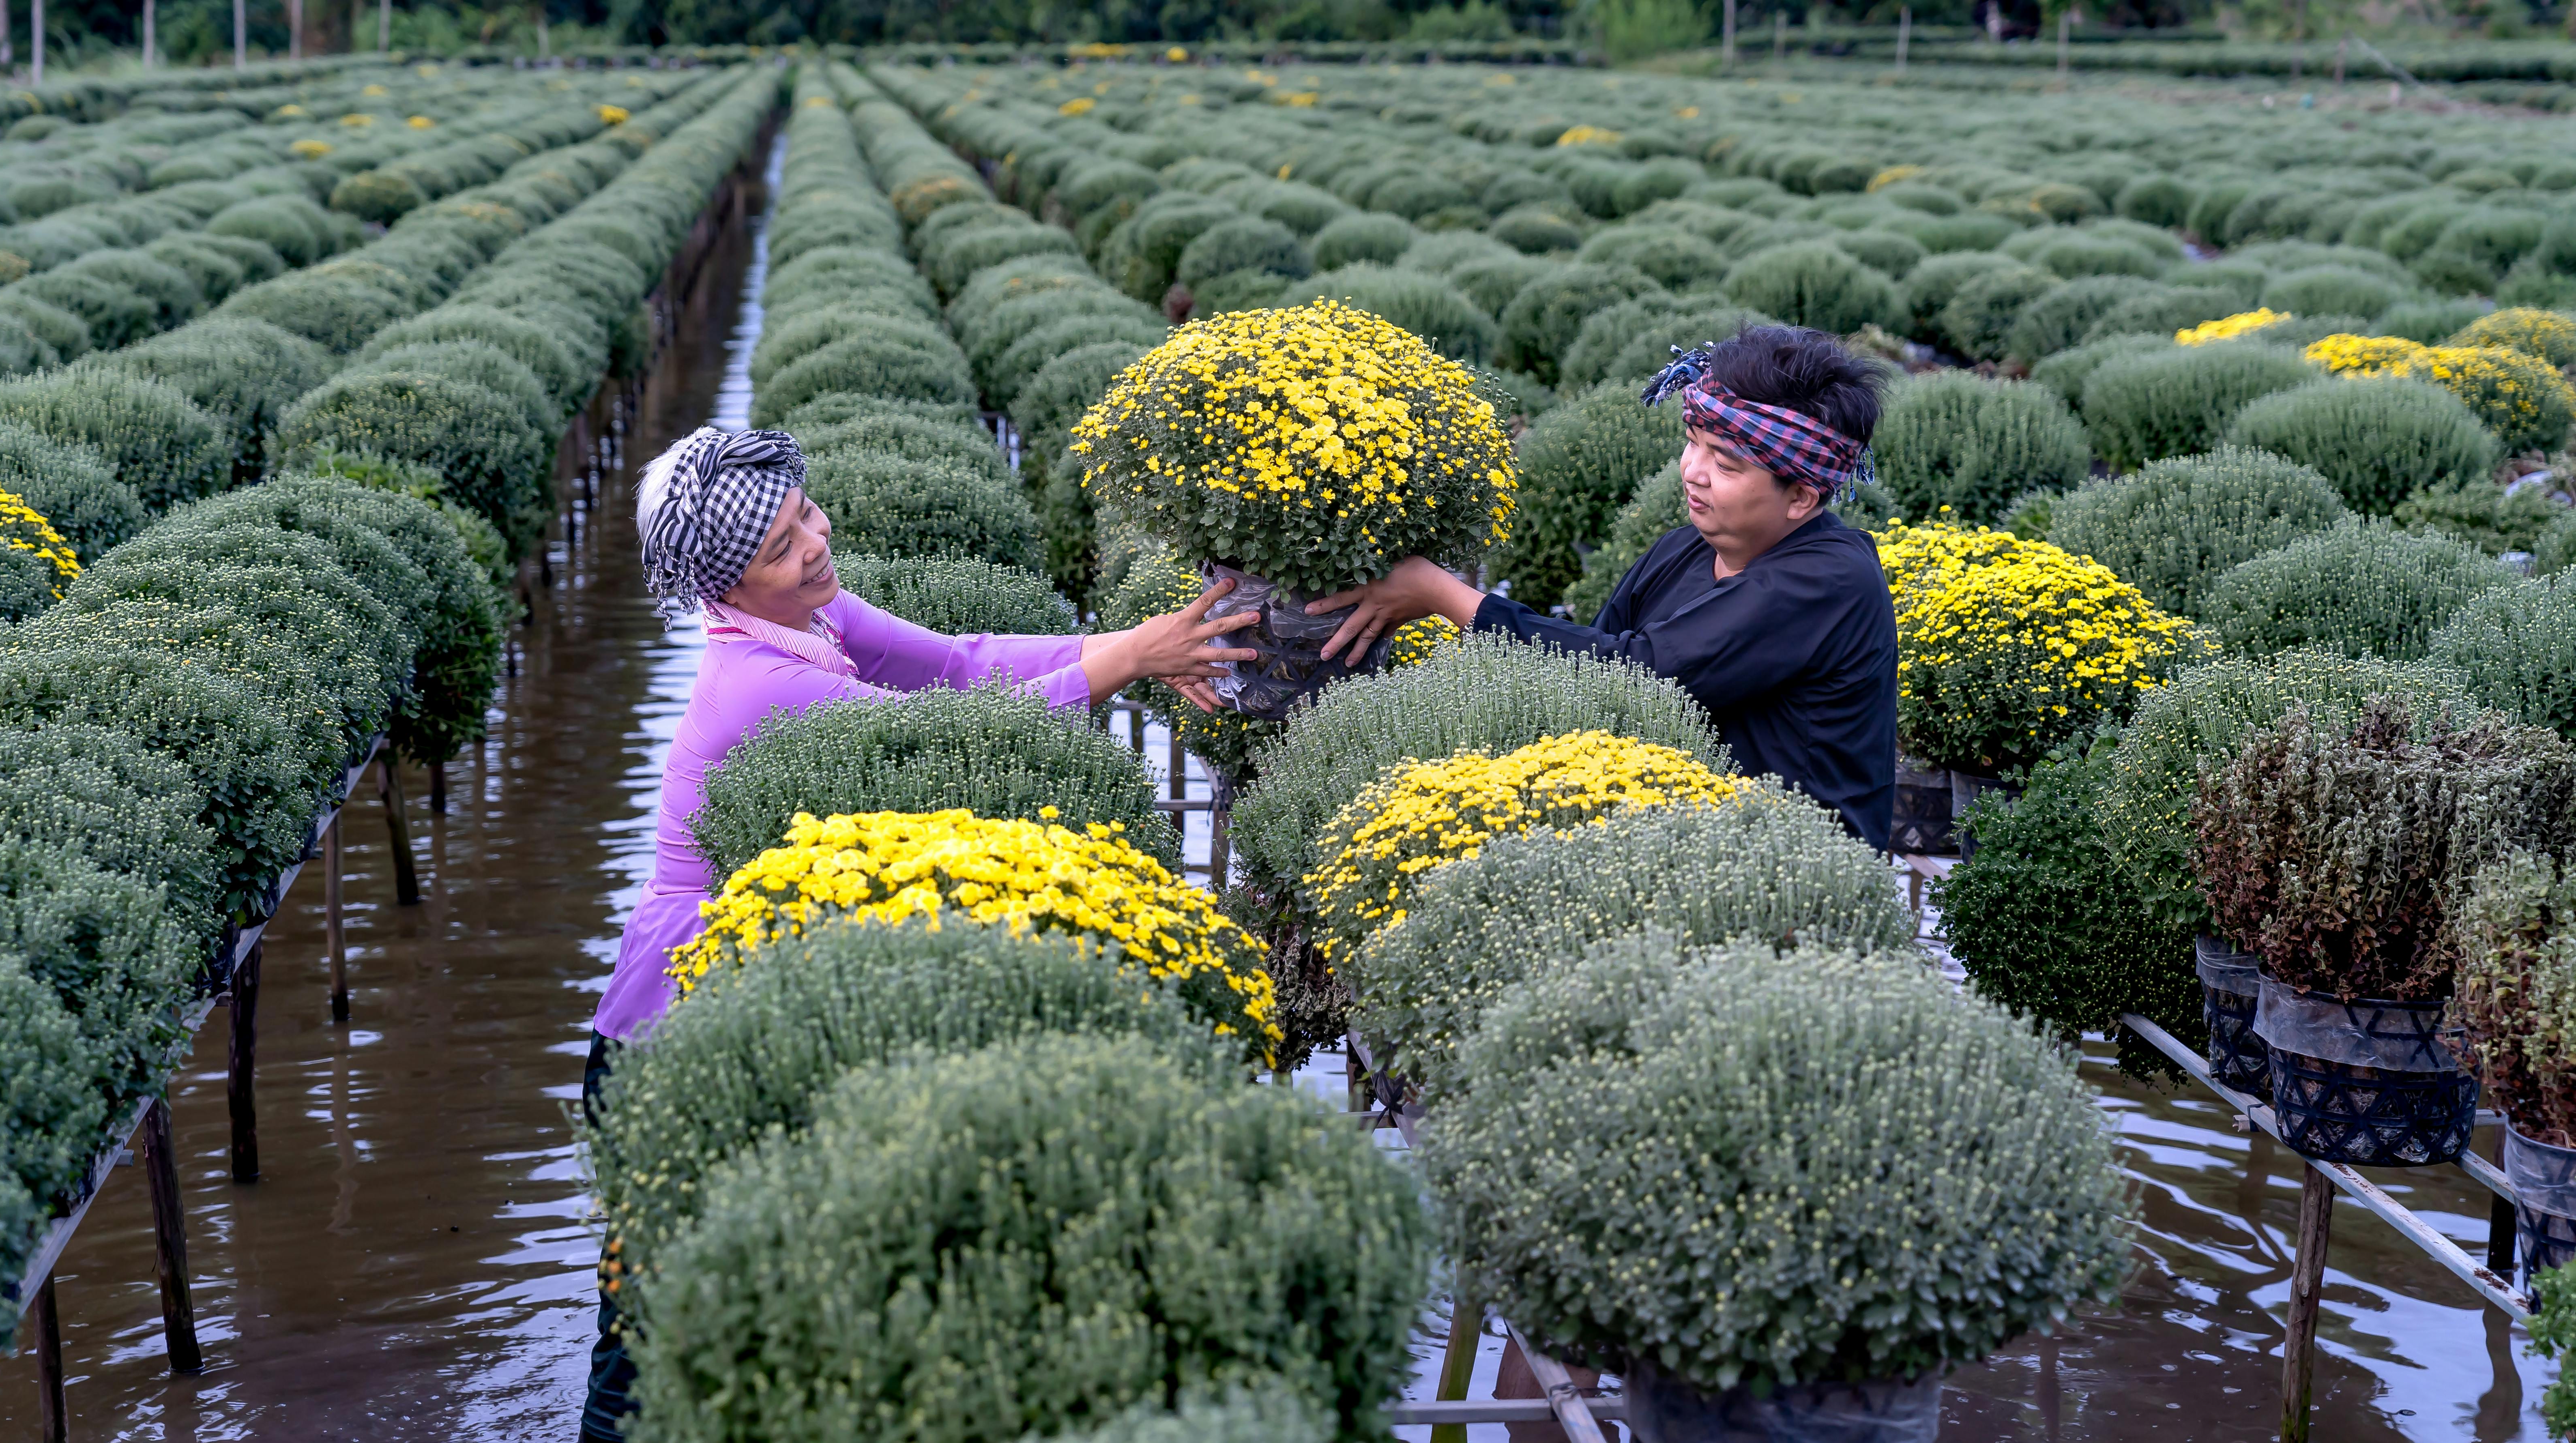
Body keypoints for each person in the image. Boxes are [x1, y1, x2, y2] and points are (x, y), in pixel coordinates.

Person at [577, 426, 1256, 1443]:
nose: (812, 540)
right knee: (646, 1338)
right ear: (729, 589)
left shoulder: (814, 616)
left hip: (757, 992)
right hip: (670, 1034)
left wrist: (1133, 649)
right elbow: (960, 746)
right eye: (779, 545)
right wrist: (1126, 658)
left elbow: (963, 668)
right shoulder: (759, 684)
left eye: (803, 512)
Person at [1305, 324, 1900, 852]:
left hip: (1795, 872)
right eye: (1693, 442)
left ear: (1801, 496)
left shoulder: (1831, 580)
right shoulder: (1682, 549)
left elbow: (1631, 675)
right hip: (1679, 839)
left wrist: (1440, 593)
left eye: (1726, 463)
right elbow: (1591, 665)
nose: (1691, 471)